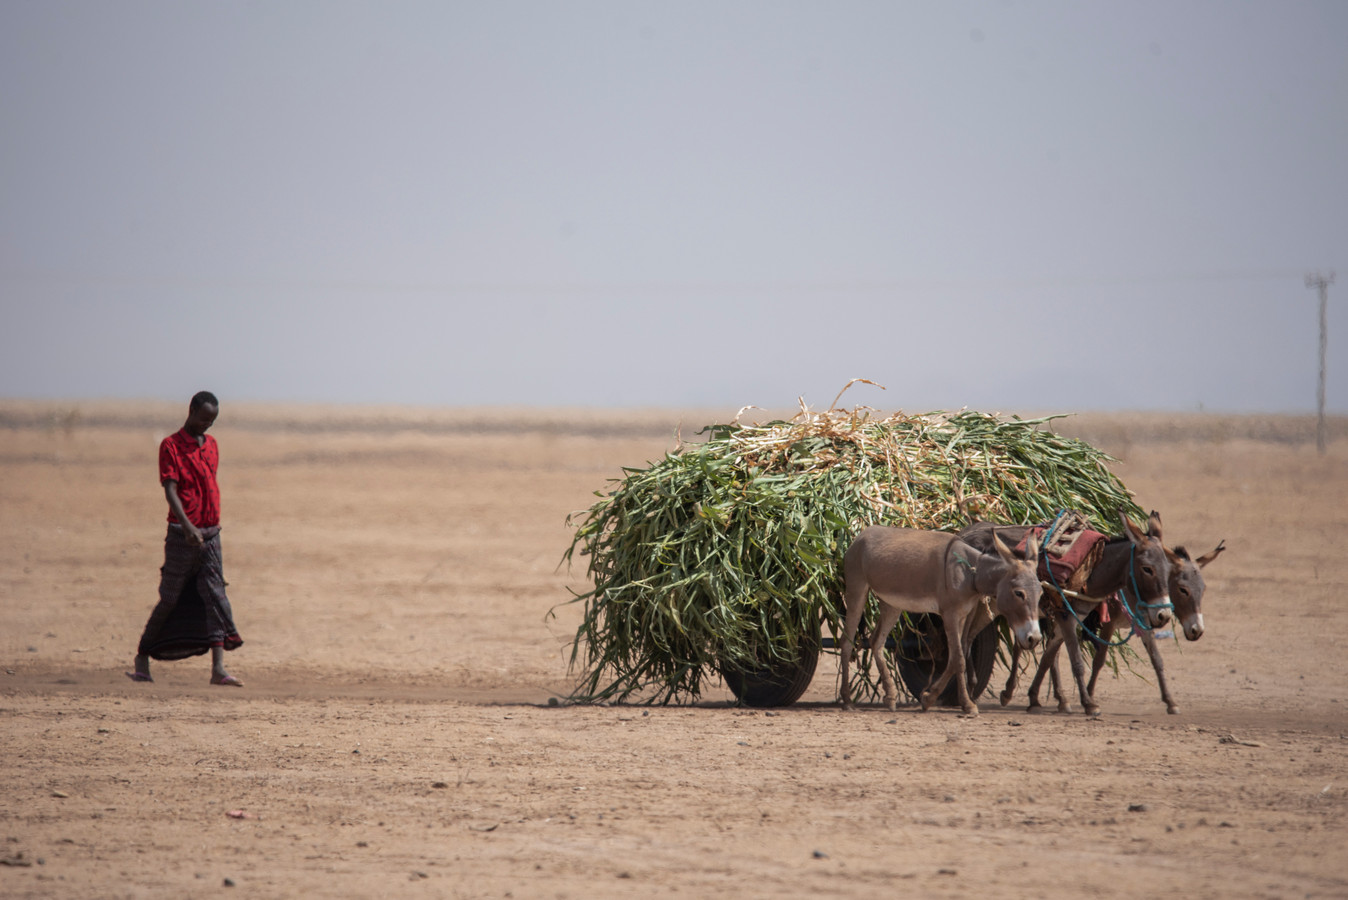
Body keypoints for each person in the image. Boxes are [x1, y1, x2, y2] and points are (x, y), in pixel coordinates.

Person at [127, 391, 244, 686]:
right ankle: (142, 656)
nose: (207, 425)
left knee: (214, 596)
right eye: (204, 418)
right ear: (191, 411)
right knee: (169, 597)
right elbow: (170, 488)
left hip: (211, 534)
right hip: (182, 534)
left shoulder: (212, 445)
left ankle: (218, 668)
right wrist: (187, 524)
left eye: (212, 420)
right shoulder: (171, 445)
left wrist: (206, 527)